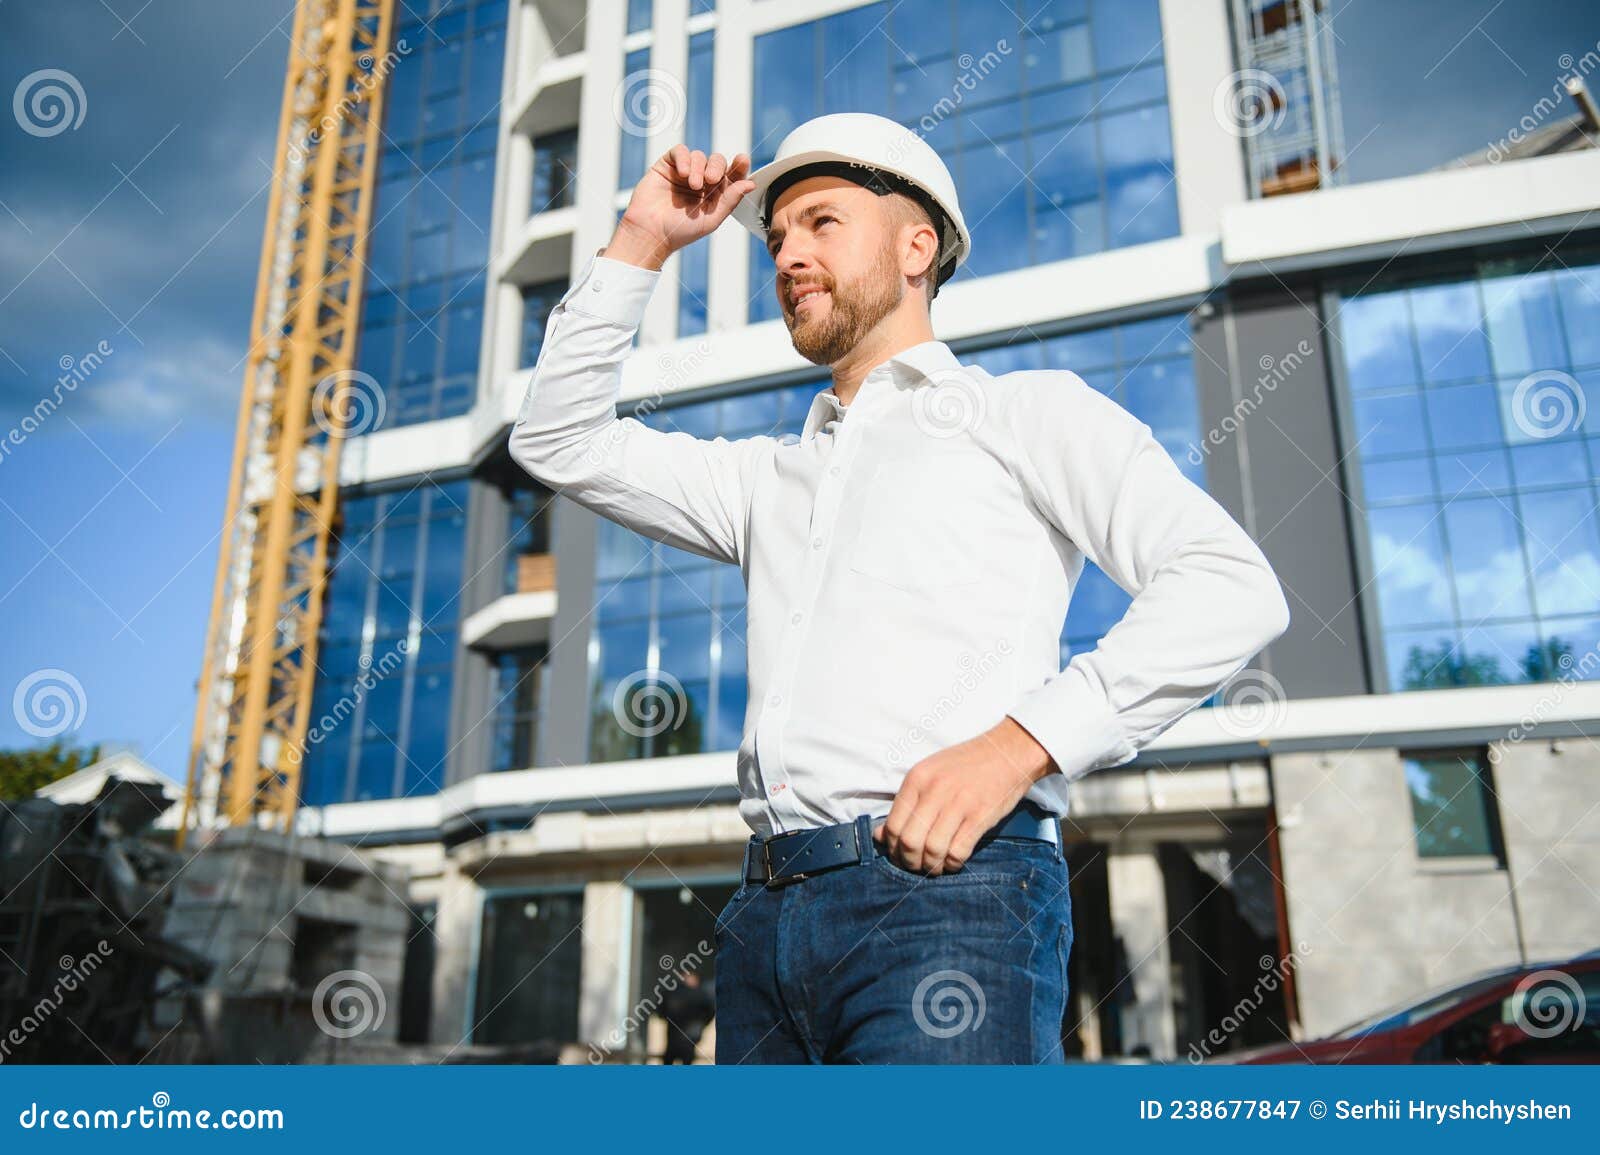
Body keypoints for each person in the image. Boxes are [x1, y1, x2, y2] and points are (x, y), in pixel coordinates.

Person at [509, 111, 1290, 1064]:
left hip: (953, 899)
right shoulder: (764, 481)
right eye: (778, 236)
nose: (789, 252)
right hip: (764, 916)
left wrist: (1021, 745)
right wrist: (640, 242)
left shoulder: (1026, 415)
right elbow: (557, 441)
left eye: (822, 223)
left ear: (917, 245)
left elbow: (1230, 585)